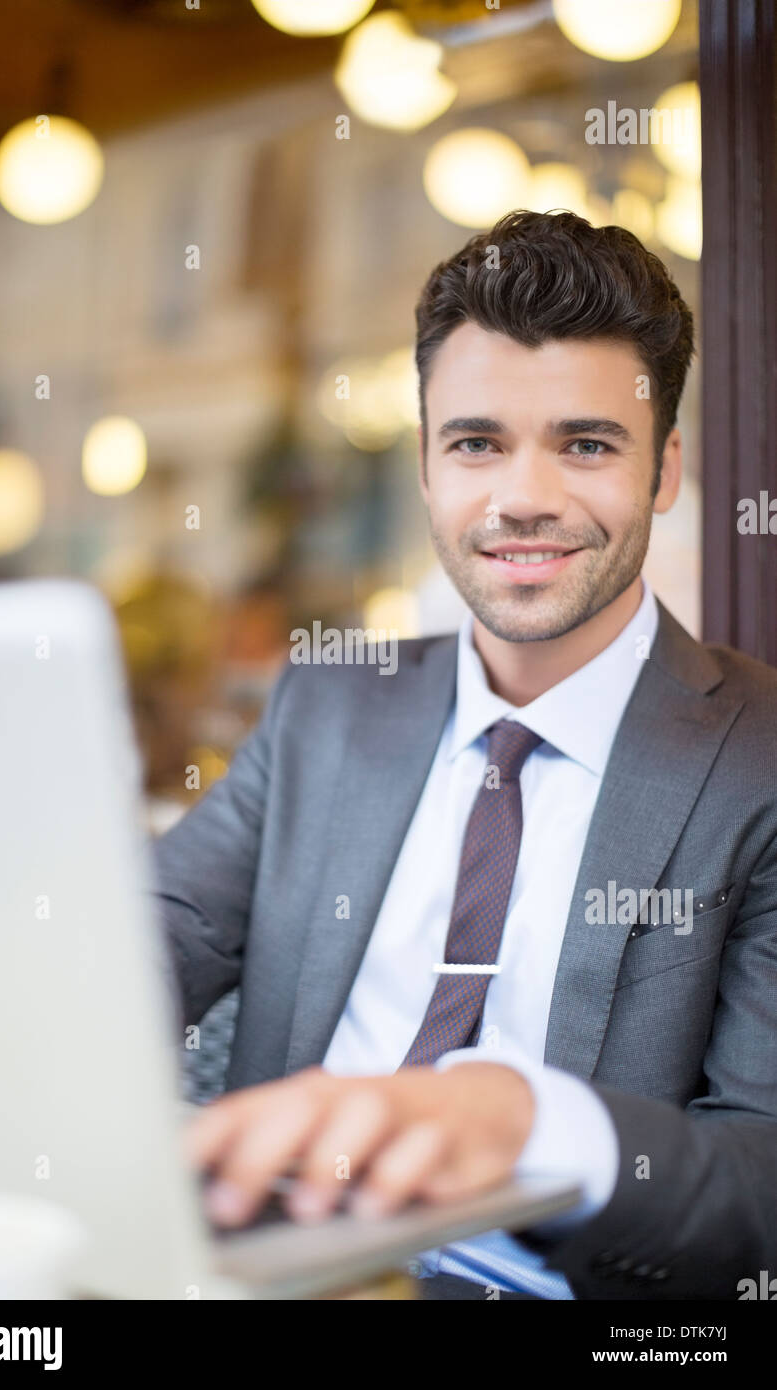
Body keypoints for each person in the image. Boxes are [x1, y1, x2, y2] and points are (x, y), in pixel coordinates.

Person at [151, 210, 777, 1300]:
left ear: (664, 469)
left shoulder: (758, 759)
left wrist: (521, 1116)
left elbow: (761, 1174)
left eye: (584, 443)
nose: (521, 497)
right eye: (476, 442)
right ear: (430, 468)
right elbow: (143, 943)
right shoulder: (325, 709)